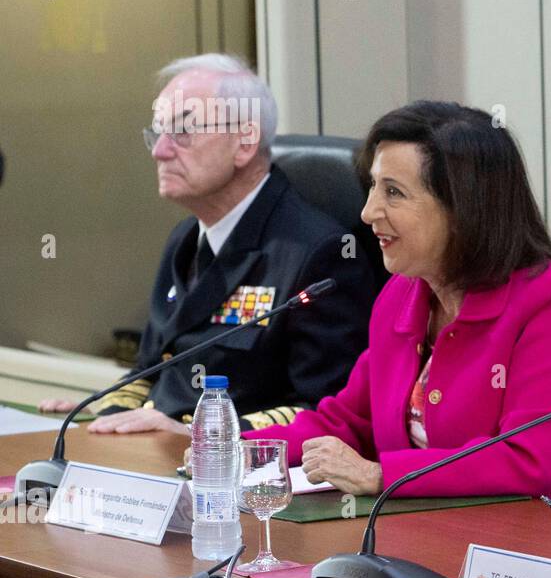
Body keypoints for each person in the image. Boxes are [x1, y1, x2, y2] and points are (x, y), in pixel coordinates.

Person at [244, 101, 551, 505]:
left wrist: (382, 475)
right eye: (372, 188)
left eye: (393, 192)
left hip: (529, 549)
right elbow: (347, 421)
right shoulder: (402, 293)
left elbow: (527, 458)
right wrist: (235, 449)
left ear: (463, 208)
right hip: (421, 533)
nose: (367, 212)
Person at [38, 54, 376, 434]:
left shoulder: (319, 253)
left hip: (241, 475)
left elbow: (328, 410)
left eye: (182, 132)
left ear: (245, 143)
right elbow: (150, 369)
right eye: (157, 132)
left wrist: (197, 434)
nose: (159, 151)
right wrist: (101, 416)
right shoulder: (185, 238)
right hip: (157, 458)